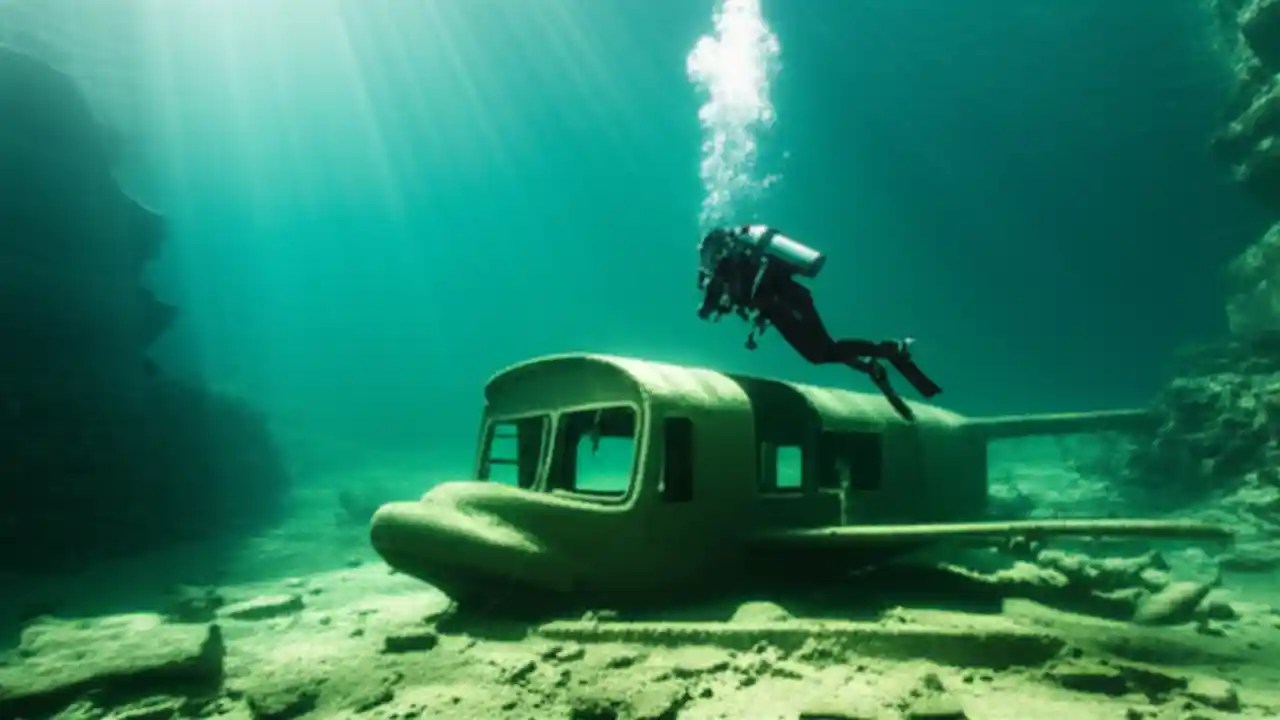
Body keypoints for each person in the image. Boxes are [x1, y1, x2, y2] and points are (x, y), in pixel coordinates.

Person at [696, 224, 941, 421]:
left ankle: (889, 351)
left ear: (717, 250)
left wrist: (710, 301)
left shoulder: (732, 266)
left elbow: (721, 303)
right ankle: (872, 364)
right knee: (823, 351)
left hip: (791, 306)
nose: (707, 265)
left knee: (822, 352)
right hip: (786, 309)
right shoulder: (737, 265)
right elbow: (743, 300)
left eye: (706, 257)